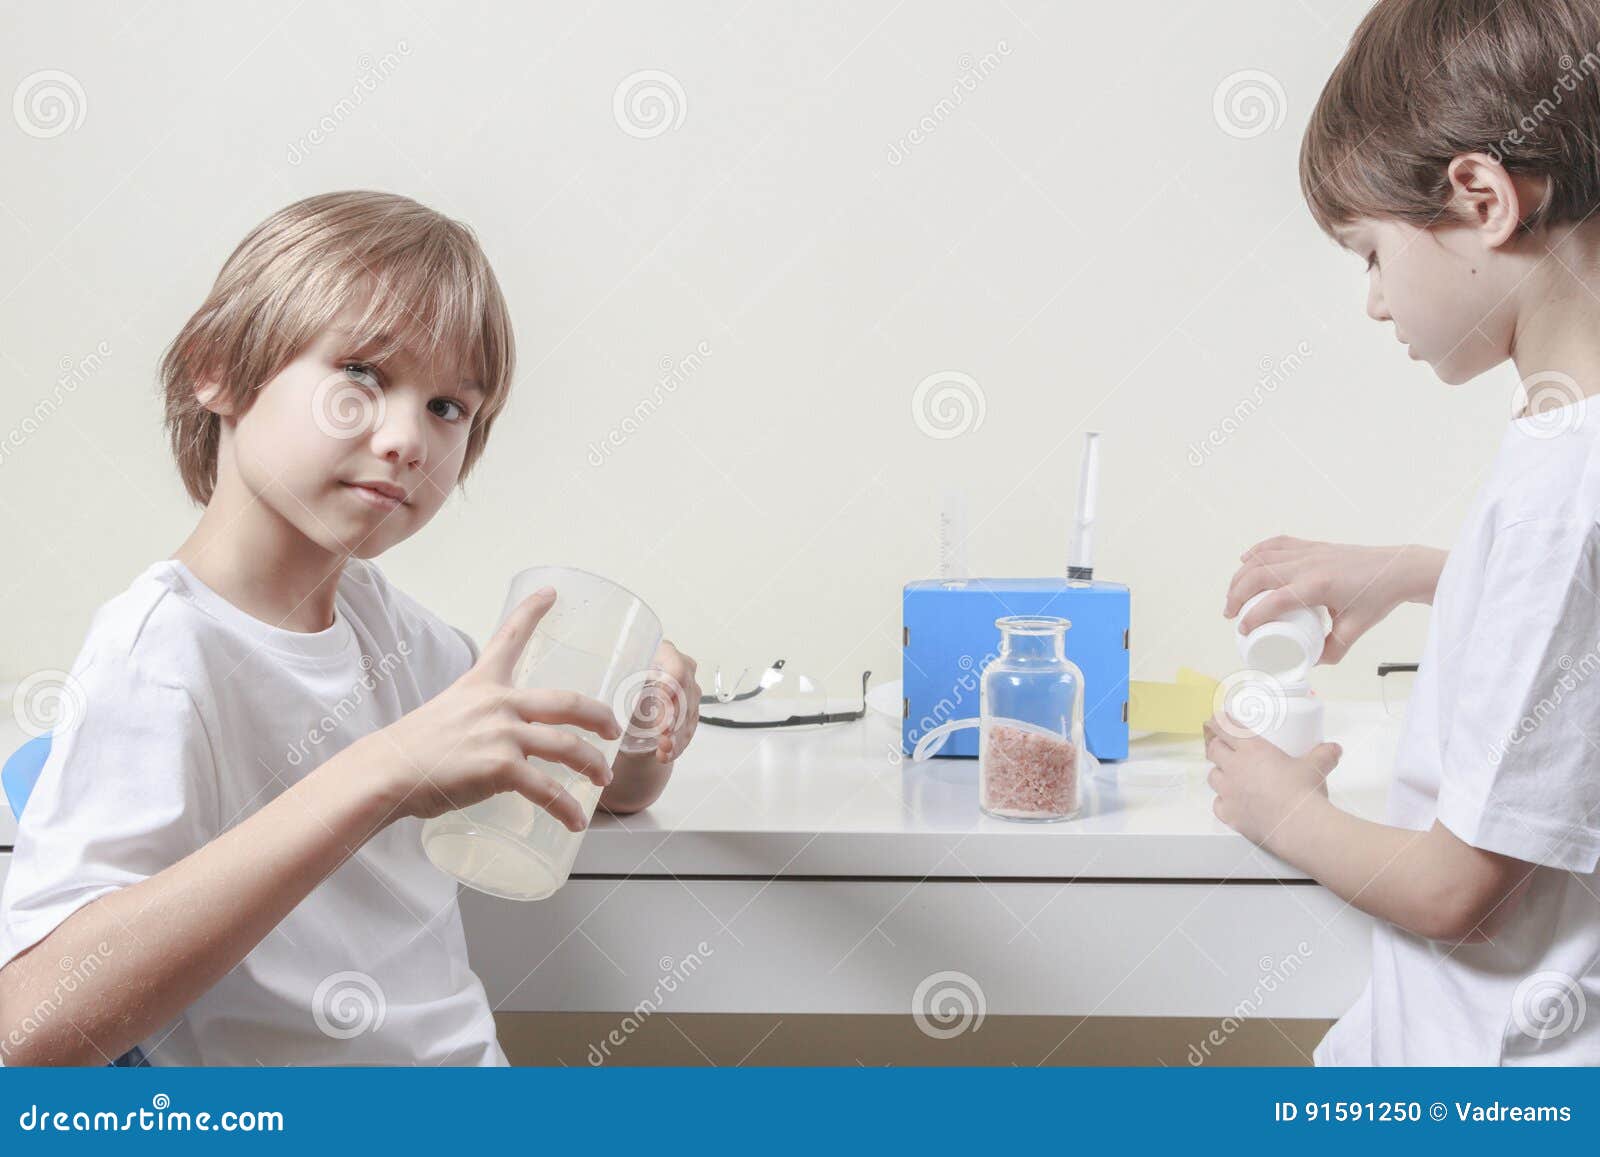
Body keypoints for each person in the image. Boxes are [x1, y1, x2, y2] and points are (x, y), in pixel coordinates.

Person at [0, 191, 701, 1065]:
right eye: (362, 373)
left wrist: (636, 724)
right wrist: (385, 772)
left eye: (449, 407)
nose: (408, 436)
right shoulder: (164, 653)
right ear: (215, 367)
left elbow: (597, 793)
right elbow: (27, 1031)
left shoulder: (385, 627)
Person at [1211, 0, 1600, 1065]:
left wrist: (1277, 806)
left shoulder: (1559, 491)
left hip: (1495, 1085)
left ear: (1479, 199)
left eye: (1370, 253)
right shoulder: (1569, 449)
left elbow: (1451, 889)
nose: (1374, 303)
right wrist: (1416, 571)